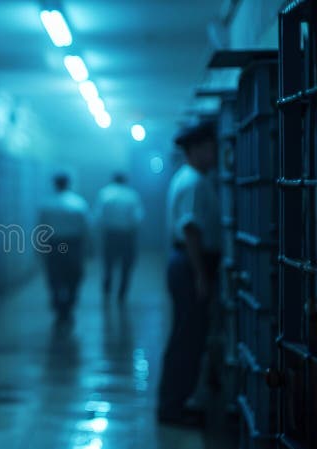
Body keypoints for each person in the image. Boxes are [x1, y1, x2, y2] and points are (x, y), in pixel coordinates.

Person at [157, 121, 221, 427]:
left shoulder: (187, 178)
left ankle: (175, 402)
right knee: (187, 338)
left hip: (186, 262)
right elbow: (191, 230)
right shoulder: (194, 182)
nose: (215, 153)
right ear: (195, 150)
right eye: (210, 148)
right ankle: (172, 407)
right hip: (191, 263)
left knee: (186, 336)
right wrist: (200, 275)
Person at [38, 173, 90, 322]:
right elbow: (86, 227)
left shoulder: (46, 204)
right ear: (68, 184)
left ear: (54, 184)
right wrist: (88, 248)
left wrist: (40, 248)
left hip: (54, 244)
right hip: (73, 244)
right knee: (74, 275)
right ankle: (69, 304)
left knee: (55, 276)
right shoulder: (79, 203)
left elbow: (41, 228)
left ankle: (58, 304)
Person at [93, 172, 144, 303]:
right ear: (125, 181)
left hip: (110, 234)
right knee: (126, 266)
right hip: (127, 235)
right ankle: (122, 295)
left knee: (108, 265)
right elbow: (138, 218)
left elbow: (99, 216)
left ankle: (107, 292)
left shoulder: (104, 193)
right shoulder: (132, 195)